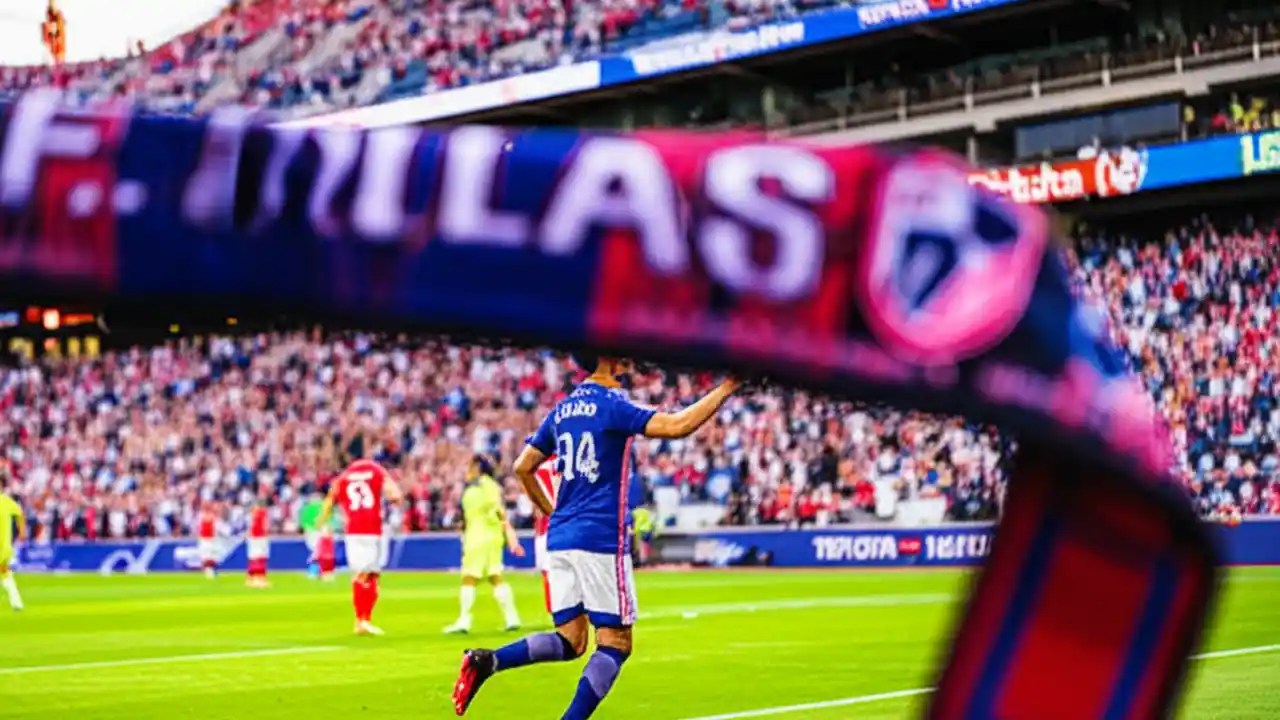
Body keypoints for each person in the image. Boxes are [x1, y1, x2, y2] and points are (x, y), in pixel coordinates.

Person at [451, 353, 739, 717]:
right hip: (600, 537)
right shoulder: (612, 404)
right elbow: (678, 425)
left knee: (571, 640)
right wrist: (727, 387)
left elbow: (523, 467)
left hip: (559, 538)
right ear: (611, 360)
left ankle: (488, 661)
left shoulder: (561, 410)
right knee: (616, 643)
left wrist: (552, 511)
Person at [320, 458, 404, 636]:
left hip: (354, 529)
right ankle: (362, 620)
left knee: (364, 574)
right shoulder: (376, 470)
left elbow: (329, 500)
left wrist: (320, 520)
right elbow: (394, 495)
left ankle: (363, 619)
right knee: (369, 574)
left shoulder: (343, 477)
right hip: (373, 528)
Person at [444, 454, 526, 634]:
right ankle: (511, 617)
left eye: (470, 466)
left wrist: (508, 534)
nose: (468, 470)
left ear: (478, 467)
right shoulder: (482, 486)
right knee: (495, 576)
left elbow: (496, 510)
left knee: (469, 577)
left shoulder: (485, 484)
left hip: (479, 536)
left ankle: (464, 620)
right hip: (489, 535)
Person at [533, 456, 560, 613]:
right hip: (567, 521)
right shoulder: (568, 460)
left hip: (547, 525)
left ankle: (553, 606)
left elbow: (536, 503)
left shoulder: (539, 467)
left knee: (547, 569)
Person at [0, 473, 26, 611]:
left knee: (5, 573)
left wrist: (22, 531)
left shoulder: (6, 501)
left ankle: (16, 601)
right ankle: (16, 602)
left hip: (2, 548)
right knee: (5, 574)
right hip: (4, 549)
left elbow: (20, 513)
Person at [245, 499, 270, 588]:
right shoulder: (260, 514)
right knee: (258, 557)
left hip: (256, 537)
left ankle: (255, 578)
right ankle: (257, 578)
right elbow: (264, 526)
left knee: (256, 557)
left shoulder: (255, 514)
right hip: (258, 537)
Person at [197, 502, 220, 579]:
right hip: (205, 539)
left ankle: (211, 570)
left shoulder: (211, 516)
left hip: (210, 538)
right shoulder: (203, 516)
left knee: (211, 555)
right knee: (206, 555)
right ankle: (208, 570)